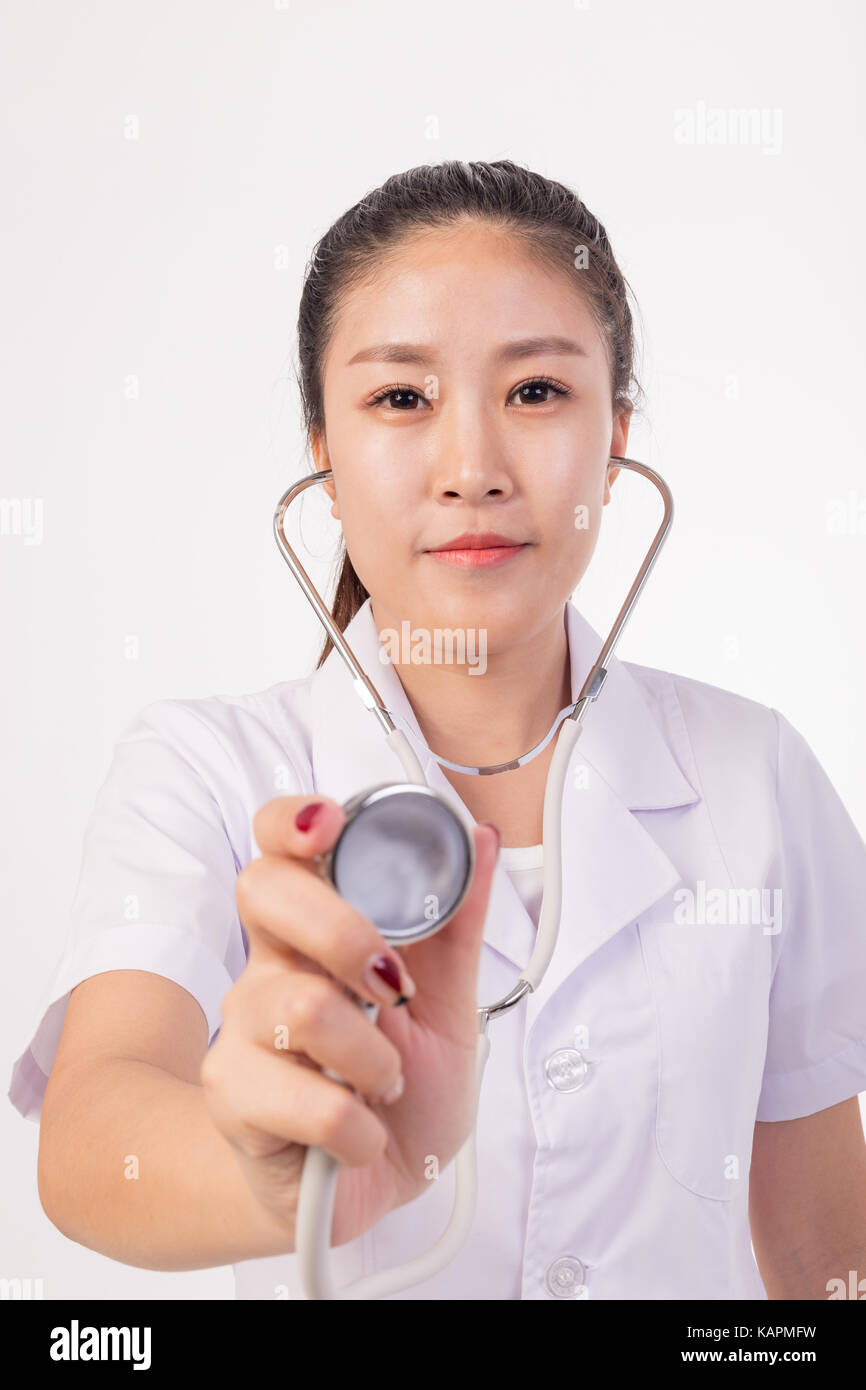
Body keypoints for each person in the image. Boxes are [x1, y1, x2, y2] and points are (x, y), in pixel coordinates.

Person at [10, 159, 866, 1300]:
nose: (471, 471)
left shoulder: (752, 775)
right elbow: (87, 1146)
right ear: (321, 448)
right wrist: (275, 1180)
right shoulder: (210, 773)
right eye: (400, 399)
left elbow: (823, 1263)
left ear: (615, 440)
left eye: (535, 393)